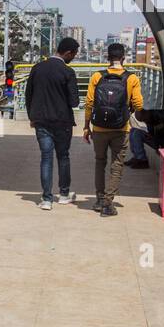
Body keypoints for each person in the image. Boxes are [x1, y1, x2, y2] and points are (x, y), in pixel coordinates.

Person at [83, 43, 144, 216]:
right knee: (116, 165)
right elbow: (139, 104)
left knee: (99, 162)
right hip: (121, 128)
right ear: (123, 58)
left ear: (107, 57)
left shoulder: (97, 76)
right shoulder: (131, 78)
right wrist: (127, 110)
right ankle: (108, 204)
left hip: (99, 129)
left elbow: (88, 104)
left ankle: (99, 199)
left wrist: (86, 127)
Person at [24, 37, 80, 210]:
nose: (74, 58)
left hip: (41, 121)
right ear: (68, 53)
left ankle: (47, 199)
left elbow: (28, 95)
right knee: (63, 157)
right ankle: (63, 195)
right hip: (62, 122)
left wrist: (32, 117)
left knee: (46, 158)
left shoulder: (37, 68)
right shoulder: (67, 72)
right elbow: (74, 102)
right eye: (74, 55)